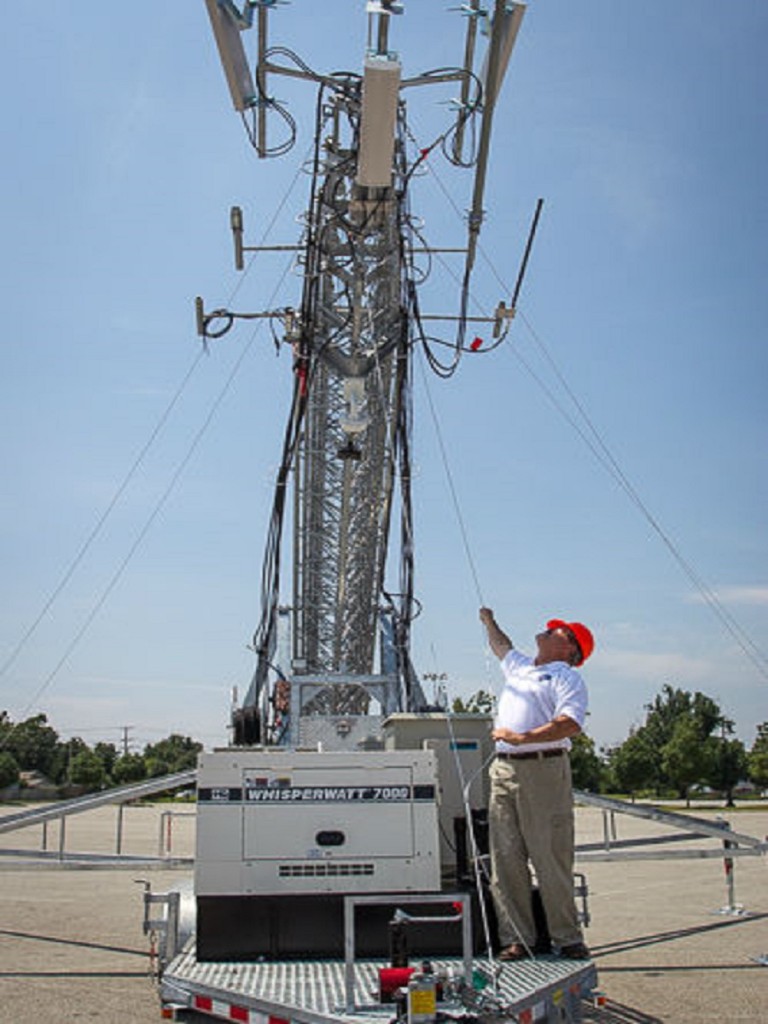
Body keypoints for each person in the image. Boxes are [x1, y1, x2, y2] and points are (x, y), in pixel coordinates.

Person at [479, 607, 594, 961]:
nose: (548, 630)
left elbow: (569, 723)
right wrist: (489, 622)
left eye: (559, 631)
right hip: (504, 770)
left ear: (570, 650)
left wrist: (522, 738)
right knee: (506, 858)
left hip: (543, 769)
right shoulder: (522, 668)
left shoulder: (565, 678)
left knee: (550, 855)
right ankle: (516, 938)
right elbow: (502, 646)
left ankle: (567, 936)